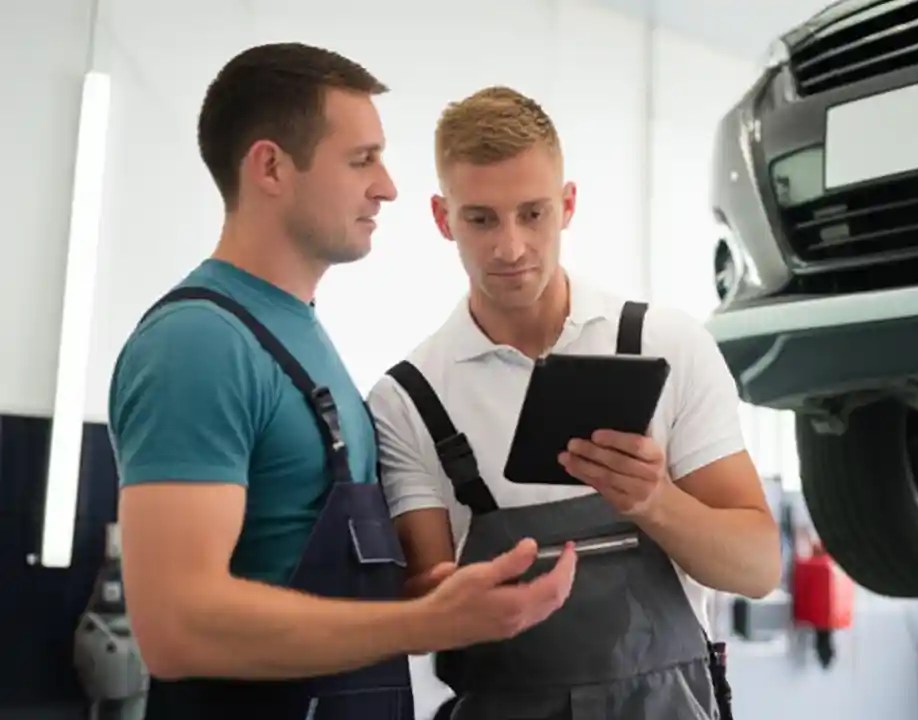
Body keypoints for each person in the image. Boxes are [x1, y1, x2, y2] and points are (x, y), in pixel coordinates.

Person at [108, 46, 577, 720]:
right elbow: (177, 628)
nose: (387, 186)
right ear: (271, 166)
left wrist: (428, 598)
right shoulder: (199, 344)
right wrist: (428, 625)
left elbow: (290, 576)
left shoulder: (297, 334)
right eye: (362, 159)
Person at [366, 85, 783, 719]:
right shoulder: (408, 400)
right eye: (481, 218)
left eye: (532, 213)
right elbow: (423, 602)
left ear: (567, 205)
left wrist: (655, 501)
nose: (510, 247)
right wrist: (460, 599)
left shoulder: (666, 346)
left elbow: (757, 569)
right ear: (442, 217)